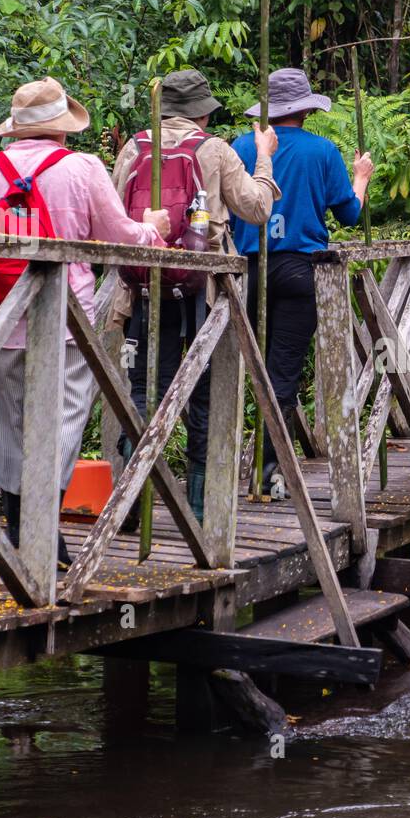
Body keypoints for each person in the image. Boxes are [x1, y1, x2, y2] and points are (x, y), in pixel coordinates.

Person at [0, 77, 171, 568]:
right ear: (63, 130)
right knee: (64, 420)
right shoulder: (81, 168)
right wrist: (154, 229)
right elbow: (122, 238)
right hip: (68, 325)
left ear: (14, 129)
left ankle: (24, 527)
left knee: (8, 424)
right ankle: (38, 529)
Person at [111, 69, 279, 523]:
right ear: (203, 112)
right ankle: (203, 509)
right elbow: (257, 208)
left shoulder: (134, 147)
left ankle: (126, 506)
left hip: (144, 286)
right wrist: (264, 159)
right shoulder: (214, 149)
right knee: (203, 393)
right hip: (204, 291)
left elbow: (112, 214)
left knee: (146, 389)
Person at [228, 67, 374, 495]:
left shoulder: (240, 147)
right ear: (306, 111)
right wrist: (361, 176)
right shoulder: (322, 151)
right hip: (299, 269)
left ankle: (234, 463)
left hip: (248, 269)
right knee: (282, 371)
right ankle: (269, 468)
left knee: (244, 370)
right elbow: (349, 214)